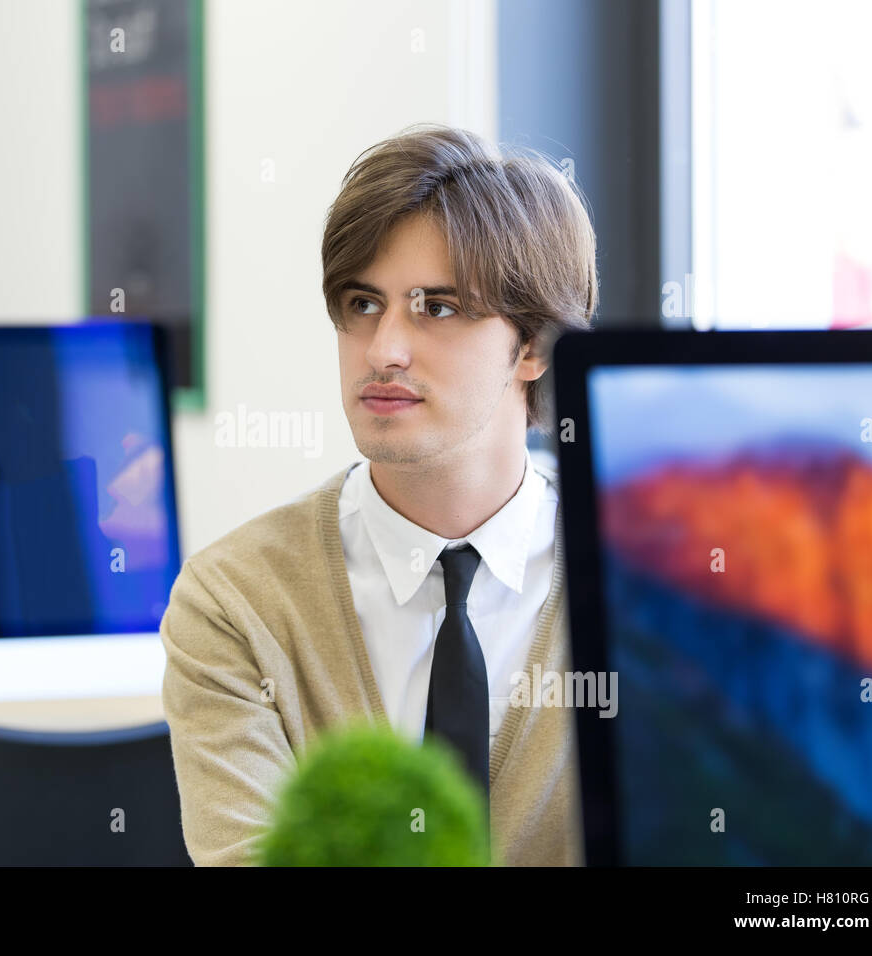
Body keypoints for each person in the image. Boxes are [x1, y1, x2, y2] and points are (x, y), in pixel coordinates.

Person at [159, 123, 598, 866]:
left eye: (437, 308)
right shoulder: (235, 601)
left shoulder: (639, 584)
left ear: (533, 347)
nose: (383, 349)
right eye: (363, 304)